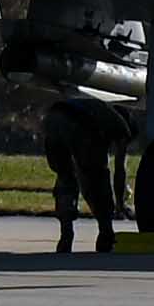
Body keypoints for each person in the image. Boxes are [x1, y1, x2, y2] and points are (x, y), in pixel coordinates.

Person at [40, 97, 128, 255]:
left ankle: (66, 234)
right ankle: (106, 233)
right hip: (78, 123)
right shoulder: (122, 128)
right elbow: (119, 170)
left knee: (65, 177)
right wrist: (120, 204)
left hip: (53, 118)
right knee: (97, 179)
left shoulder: (102, 112)